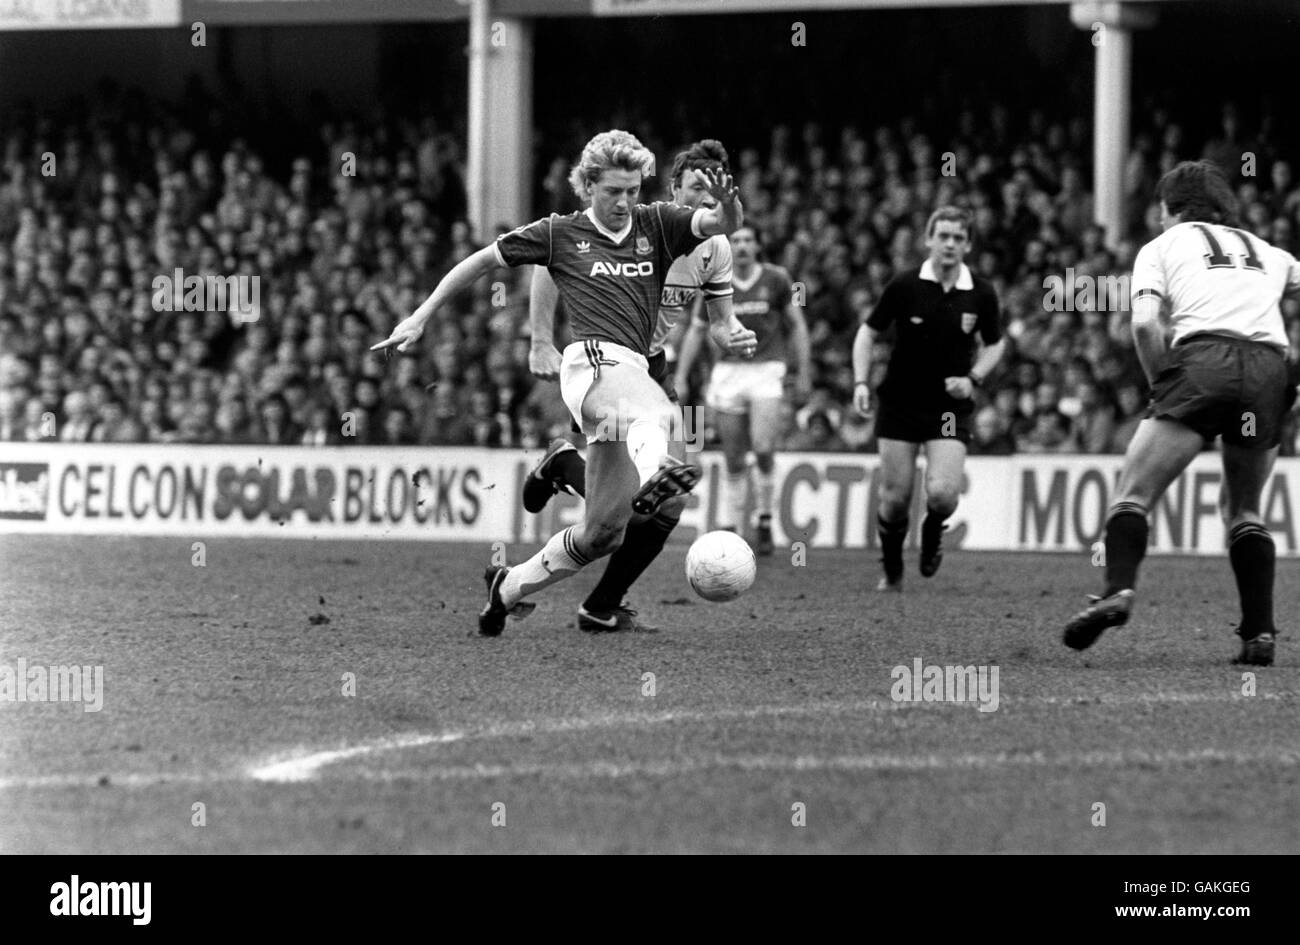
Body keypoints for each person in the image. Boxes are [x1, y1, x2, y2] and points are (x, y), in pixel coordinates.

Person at [372, 130, 754, 636]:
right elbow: (480, 262)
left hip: (635, 372)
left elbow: (717, 224)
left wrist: (730, 210)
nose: (623, 202)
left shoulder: (658, 224)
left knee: (604, 532)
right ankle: (656, 467)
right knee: (659, 416)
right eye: (612, 191)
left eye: (633, 191)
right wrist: (420, 317)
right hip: (591, 364)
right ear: (587, 184)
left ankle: (507, 589)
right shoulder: (559, 233)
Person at [1063, 160, 1300, 666]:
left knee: (1133, 493)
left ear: (1169, 208)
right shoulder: (1268, 251)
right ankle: (1259, 633)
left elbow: (1146, 327)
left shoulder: (1161, 247)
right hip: (1267, 372)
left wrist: (1162, 391)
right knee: (1244, 510)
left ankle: (1118, 590)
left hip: (1203, 364)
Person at [520, 139, 751, 632]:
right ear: (672, 190)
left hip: (652, 366)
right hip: (604, 364)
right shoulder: (643, 225)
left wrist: (730, 334)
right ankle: (599, 598)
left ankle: (601, 600)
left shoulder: (714, 248)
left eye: (714, 195)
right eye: (695, 190)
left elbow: (718, 321)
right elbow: (547, 261)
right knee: (648, 490)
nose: (704, 204)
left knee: (665, 494)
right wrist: (540, 338)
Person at [850, 206, 1006, 591]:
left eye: (958, 237)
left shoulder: (981, 293)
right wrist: (860, 382)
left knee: (941, 495)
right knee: (895, 499)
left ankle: (933, 530)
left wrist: (973, 378)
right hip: (900, 403)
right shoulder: (905, 286)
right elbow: (868, 333)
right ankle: (892, 570)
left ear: (968, 244)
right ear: (928, 240)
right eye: (944, 236)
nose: (950, 244)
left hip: (947, 409)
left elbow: (996, 345)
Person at [674, 224, 812, 553]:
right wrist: (681, 374)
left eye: (749, 239)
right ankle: (733, 526)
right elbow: (696, 331)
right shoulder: (714, 280)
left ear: (758, 246)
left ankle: (764, 518)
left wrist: (804, 370)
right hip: (727, 372)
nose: (743, 246)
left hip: (767, 370)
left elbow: (798, 326)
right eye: (736, 241)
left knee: (763, 448)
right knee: (734, 457)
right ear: (728, 248)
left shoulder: (779, 278)